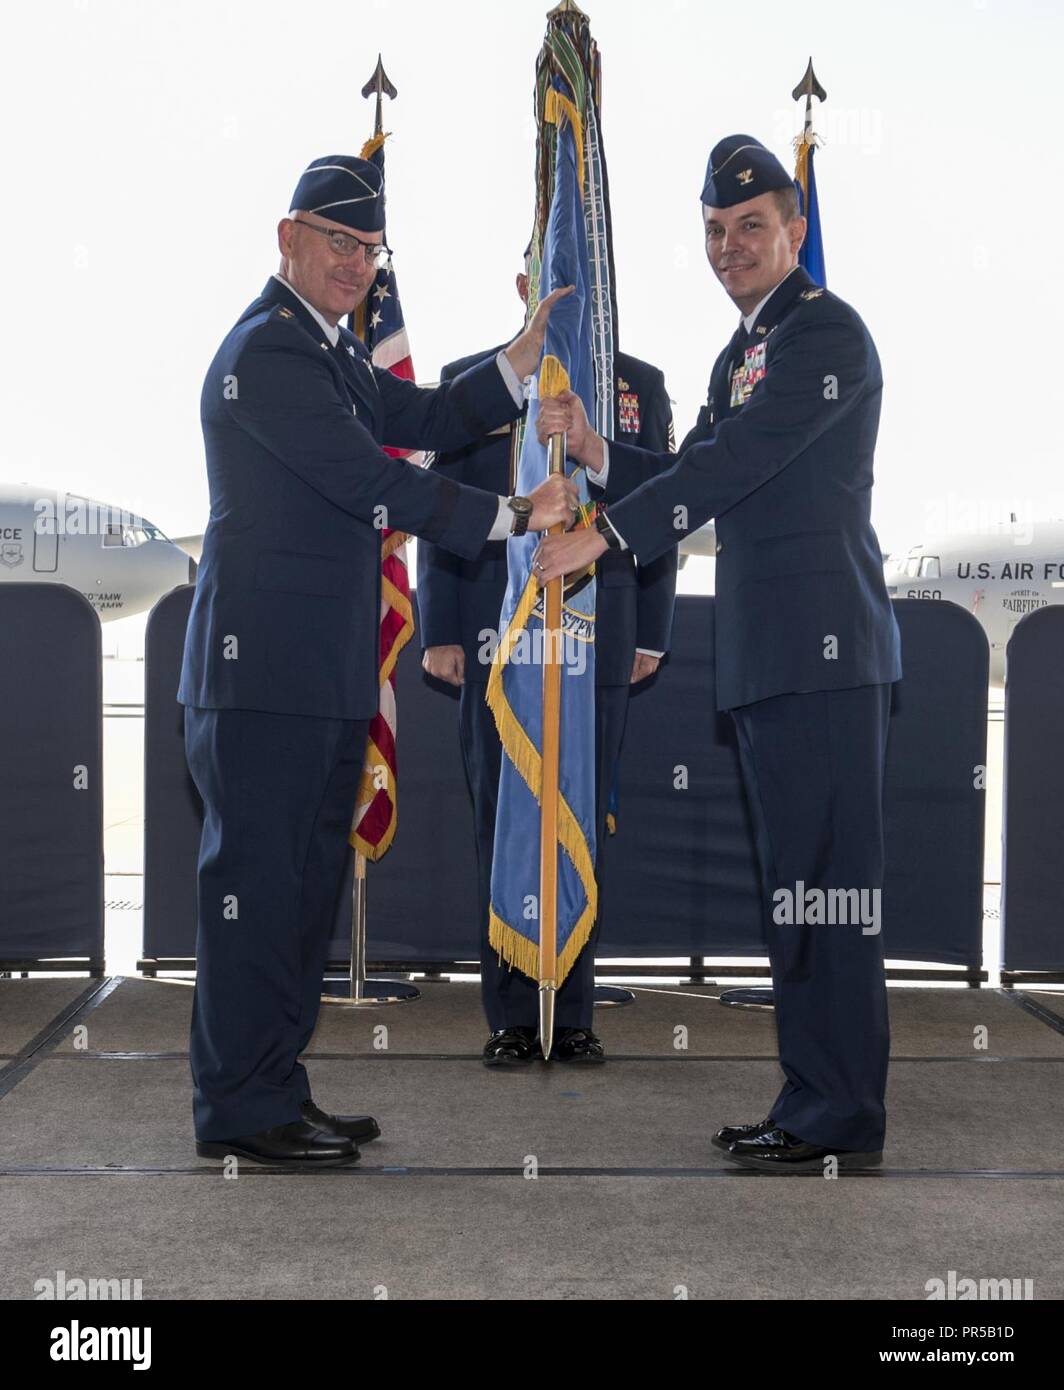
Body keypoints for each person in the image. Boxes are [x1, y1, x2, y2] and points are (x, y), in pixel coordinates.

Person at [178, 155, 577, 1167]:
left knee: (303, 895)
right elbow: (374, 480)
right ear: (288, 238)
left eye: (368, 249)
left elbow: (427, 418)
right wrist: (515, 514)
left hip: (315, 680)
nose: (355, 264)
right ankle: (235, 1106)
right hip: (260, 680)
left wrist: (517, 357)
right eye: (336, 242)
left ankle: (274, 1086)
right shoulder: (267, 353)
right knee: (256, 898)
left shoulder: (325, 354)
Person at [533, 134, 902, 1173]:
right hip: (768, 662)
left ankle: (839, 1113)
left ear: (793, 231)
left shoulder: (824, 337)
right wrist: (603, 455)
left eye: (750, 227)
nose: (730, 245)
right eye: (713, 230)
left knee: (829, 895)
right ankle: (811, 1095)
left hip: (823, 662)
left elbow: (733, 463)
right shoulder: (740, 351)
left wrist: (602, 534)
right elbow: (696, 466)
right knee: (794, 893)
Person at [418, 259, 677, 1066]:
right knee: (505, 817)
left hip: (598, 638)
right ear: (522, 285)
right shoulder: (474, 382)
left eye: (575, 282)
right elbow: (443, 514)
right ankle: (507, 1016)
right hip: (500, 640)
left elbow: (662, 501)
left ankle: (571, 1015)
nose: (559, 293)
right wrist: (442, 628)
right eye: (545, 277)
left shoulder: (636, 385)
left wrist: (651, 631)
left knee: (580, 815)